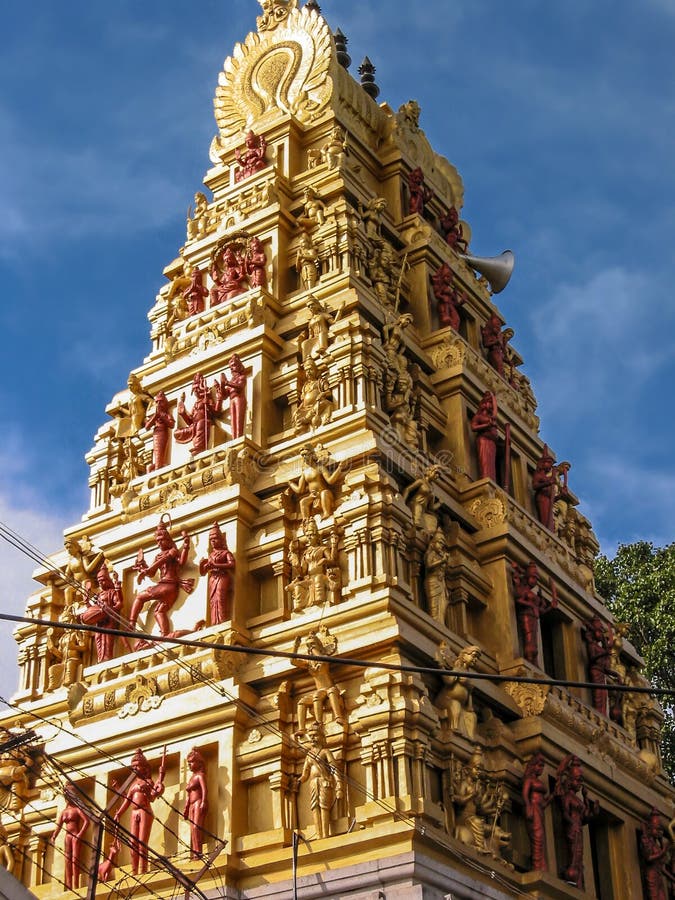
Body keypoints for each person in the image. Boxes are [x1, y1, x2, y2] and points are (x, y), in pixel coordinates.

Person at [130, 519, 194, 636]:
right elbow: (152, 574)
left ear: (167, 540)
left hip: (168, 585)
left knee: (140, 597)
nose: (159, 543)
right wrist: (143, 567)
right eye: (157, 541)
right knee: (158, 611)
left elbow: (181, 563)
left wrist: (185, 547)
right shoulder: (159, 555)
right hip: (168, 589)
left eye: (161, 540)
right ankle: (165, 634)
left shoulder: (173, 551)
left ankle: (131, 622)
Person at [113, 748, 166, 876]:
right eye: (133, 766)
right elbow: (127, 800)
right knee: (133, 845)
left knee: (142, 844)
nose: (135, 768)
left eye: (137, 766)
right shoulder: (133, 785)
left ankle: (143, 869)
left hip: (144, 811)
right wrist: (119, 813)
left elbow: (153, 797)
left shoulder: (149, 782)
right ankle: (134, 871)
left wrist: (147, 790)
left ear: (144, 767)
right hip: (134, 813)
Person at [553, 754, 598, 890]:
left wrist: (593, 811)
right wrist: (571, 822)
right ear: (570, 780)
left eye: (581, 781)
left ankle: (577, 882)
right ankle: (572, 877)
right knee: (574, 855)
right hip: (573, 828)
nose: (579, 784)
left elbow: (585, 817)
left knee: (579, 856)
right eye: (577, 780)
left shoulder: (578, 799)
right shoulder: (567, 797)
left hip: (578, 828)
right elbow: (565, 812)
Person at [296, 723, 341, 839]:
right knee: (314, 807)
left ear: (321, 737)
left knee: (324, 806)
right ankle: (319, 835)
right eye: (310, 736)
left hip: (324, 781)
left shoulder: (325, 752)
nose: (312, 738)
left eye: (315, 735)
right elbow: (305, 774)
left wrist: (339, 785)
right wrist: (297, 781)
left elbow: (334, 768)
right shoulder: (309, 755)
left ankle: (325, 834)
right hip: (313, 783)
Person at [286, 445, 346, 520]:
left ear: (312, 455)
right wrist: (290, 483)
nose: (304, 457)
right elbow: (299, 490)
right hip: (313, 496)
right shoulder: (305, 473)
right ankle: (306, 520)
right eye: (303, 455)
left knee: (324, 493)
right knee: (303, 502)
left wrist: (339, 468)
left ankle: (326, 513)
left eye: (306, 454)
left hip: (324, 493)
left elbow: (330, 481)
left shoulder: (320, 468)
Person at [51, 784, 89, 890]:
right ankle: (68, 884)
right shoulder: (64, 812)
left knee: (75, 860)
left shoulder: (77, 810)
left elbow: (86, 821)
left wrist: (80, 834)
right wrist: (54, 835)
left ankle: (75, 884)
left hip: (75, 835)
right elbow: (59, 826)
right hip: (67, 837)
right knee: (67, 860)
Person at [199, 522, 235, 625]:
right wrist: (203, 566)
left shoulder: (226, 553)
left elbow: (232, 565)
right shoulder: (211, 554)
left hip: (222, 577)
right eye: (211, 540)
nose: (213, 541)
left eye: (215, 539)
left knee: (220, 598)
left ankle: (222, 621)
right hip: (213, 578)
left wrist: (216, 565)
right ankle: (215, 622)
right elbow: (203, 573)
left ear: (221, 539)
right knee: (213, 601)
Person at [522, 753, 551, 871]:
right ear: (533, 766)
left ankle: (540, 865)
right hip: (533, 809)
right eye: (539, 765)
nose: (541, 769)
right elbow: (525, 794)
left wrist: (553, 796)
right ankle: (537, 866)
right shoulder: (529, 779)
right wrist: (528, 806)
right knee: (537, 837)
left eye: (543, 766)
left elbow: (544, 803)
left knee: (541, 839)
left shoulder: (537, 781)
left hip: (539, 810)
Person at [183, 748, 208, 859]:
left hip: (198, 802)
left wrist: (203, 801)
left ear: (199, 762)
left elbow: (204, 790)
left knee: (197, 827)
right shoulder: (192, 778)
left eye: (191, 762)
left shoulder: (200, 776)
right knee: (192, 828)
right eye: (188, 763)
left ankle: (198, 851)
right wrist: (186, 808)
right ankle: (195, 852)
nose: (189, 765)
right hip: (192, 804)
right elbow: (188, 795)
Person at [471, 391, 499, 482]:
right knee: (485, 463)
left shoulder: (491, 418)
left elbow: (495, 413)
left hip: (491, 443)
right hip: (484, 440)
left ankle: (491, 480)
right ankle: (485, 479)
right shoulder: (479, 416)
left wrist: (493, 397)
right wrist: (486, 426)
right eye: (489, 402)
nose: (490, 405)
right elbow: (474, 427)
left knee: (491, 464)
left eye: (491, 403)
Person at [145, 391, 174, 472]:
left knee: (160, 452)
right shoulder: (155, 416)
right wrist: (155, 416)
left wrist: (161, 416)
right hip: (156, 433)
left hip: (163, 433)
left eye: (160, 402)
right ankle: (157, 467)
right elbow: (147, 427)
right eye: (157, 402)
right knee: (157, 452)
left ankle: (158, 466)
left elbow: (172, 425)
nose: (158, 404)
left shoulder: (166, 414)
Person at [220, 354, 247, 440]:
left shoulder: (242, 377)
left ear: (239, 366)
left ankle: (238, 437)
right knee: (233, 421)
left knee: (238, 419)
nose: (232, 368)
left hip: (239, 398)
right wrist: (221, 386)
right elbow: (225, 395)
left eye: (234, 365)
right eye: (230, 366)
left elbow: (240, 387)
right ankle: (234, 438)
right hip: (232, 399)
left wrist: (227, 382)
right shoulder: (231, 380)